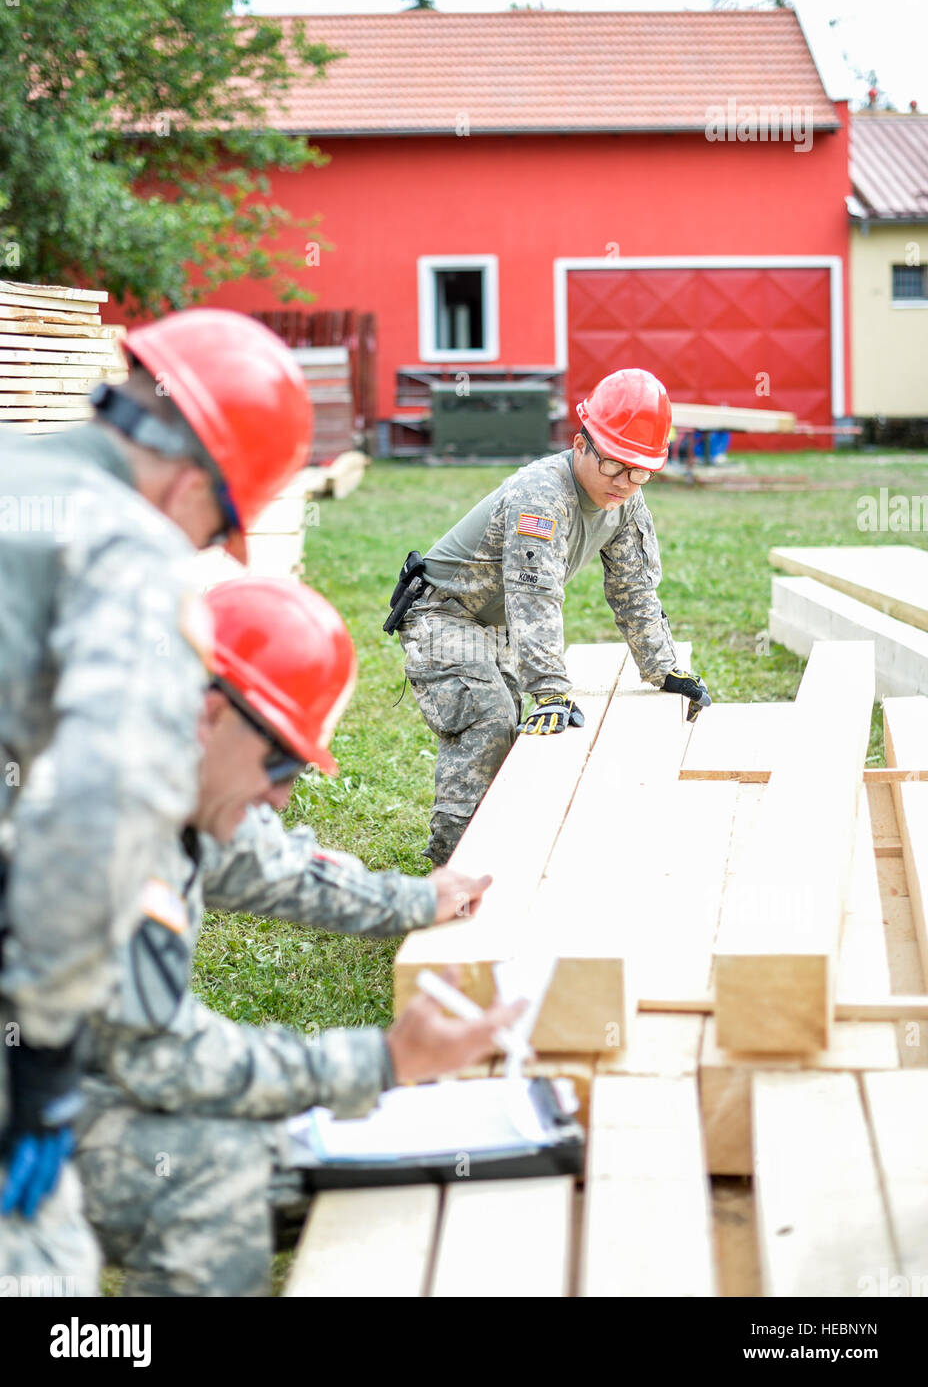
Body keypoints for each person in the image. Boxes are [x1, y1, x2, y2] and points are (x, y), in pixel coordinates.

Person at [75, 578, 514, 1297]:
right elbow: (166, 1060)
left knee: (285, 1162)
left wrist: (414, 898)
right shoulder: (93, 838)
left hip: (65, 1078)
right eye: (279, 763)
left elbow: (276, 867)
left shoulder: (164, 771)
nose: (282, 795)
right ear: (210, 715)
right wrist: (381, 1060)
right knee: (221, 1178)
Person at [0, 309, 312, 1294]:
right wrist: (44, 1051)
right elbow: (103, 799)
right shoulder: (124, 546)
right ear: (191, 487)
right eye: (216, 534)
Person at [385, 368, 712, 866]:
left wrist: (664, 667)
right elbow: (532, 594)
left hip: (496, 626)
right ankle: (453, 865)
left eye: (641, 470)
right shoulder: (541, 495)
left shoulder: (625, 501)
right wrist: (550, 688)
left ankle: (507, 854)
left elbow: (633, 588)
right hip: (443, 617)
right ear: (581, 444)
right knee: (488, 719)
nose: (625, 483)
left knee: (527, 732)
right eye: (614, 466)